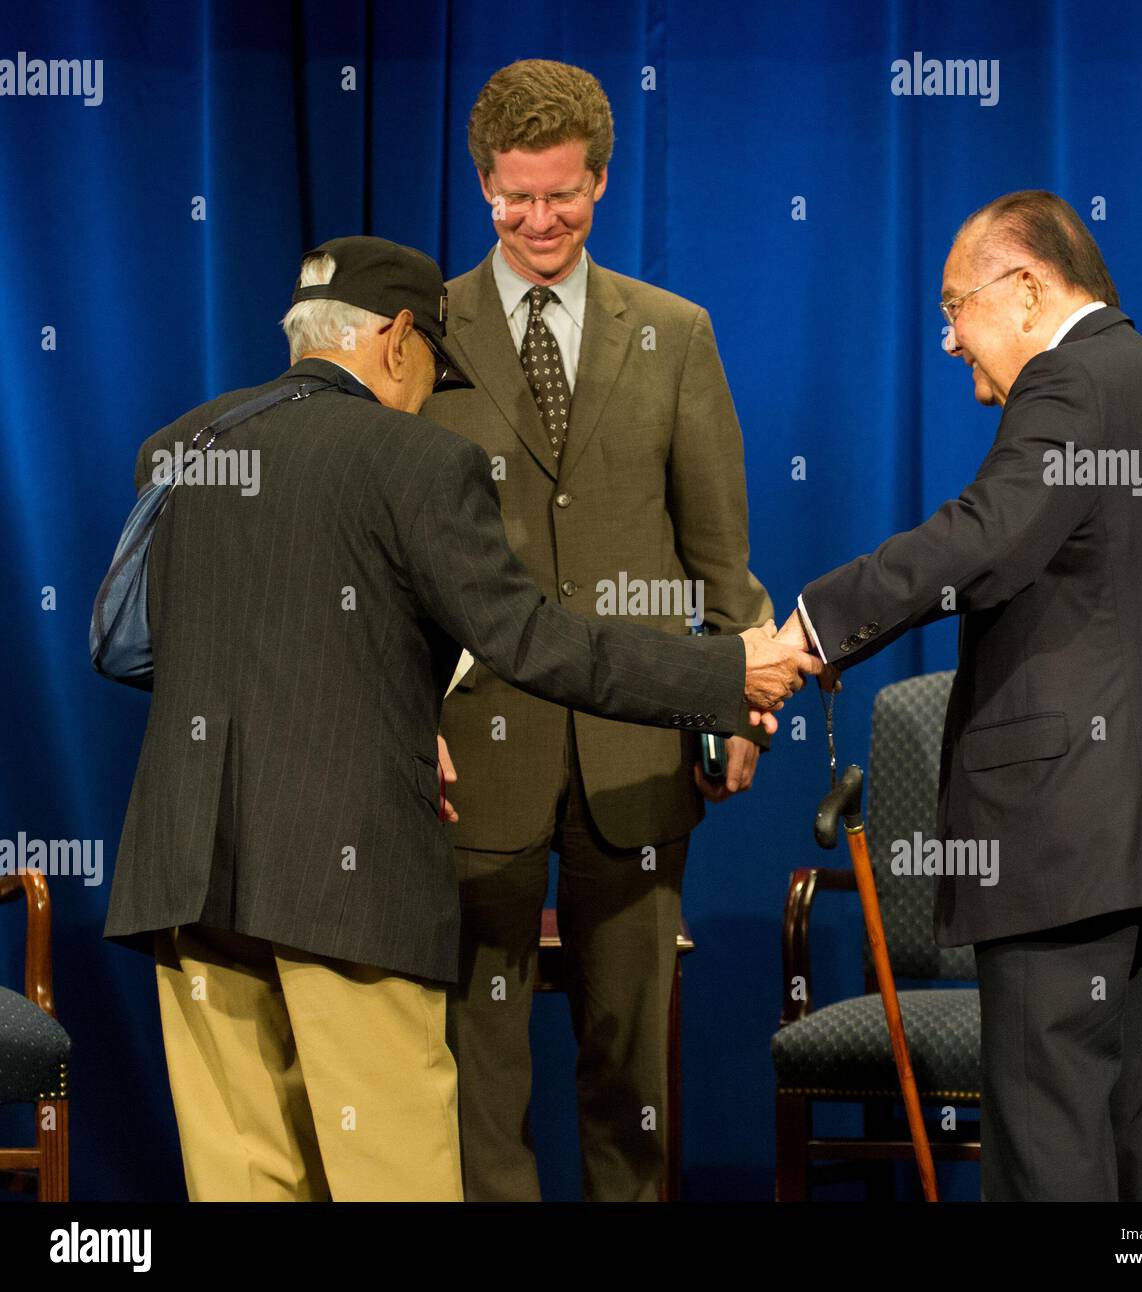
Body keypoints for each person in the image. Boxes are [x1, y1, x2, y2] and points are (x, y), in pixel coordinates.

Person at [101, 234, 817, 1202]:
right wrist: (726, 668)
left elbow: (199, 648)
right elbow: (541, 644)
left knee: (245, 1182)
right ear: (398, 339)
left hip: (183, 879)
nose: (428, 392)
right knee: (393, 1180)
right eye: (433, 368)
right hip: (342, 882)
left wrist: (391, 709)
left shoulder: (179, 448)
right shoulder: (420, 464)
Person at [777, 190, 1142, 1201]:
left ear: (1026, 288)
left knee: (1049, 1155)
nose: (948, 341)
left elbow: (982, 537)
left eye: (955, 306)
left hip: (1068, 840)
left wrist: (812, 628)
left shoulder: (1071, 381)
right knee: (1137, 1157)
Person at [425, 59, 776, 1201]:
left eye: (562, 195)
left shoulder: (673, 334)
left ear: (602, 181)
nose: (539, 221)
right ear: (483, 184)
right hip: (472, 750)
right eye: (515, 198)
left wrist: (733, 697)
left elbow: (719, 550)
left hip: (634, 751)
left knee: (628, 1054)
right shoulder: (424, 332)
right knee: (481, 1052)